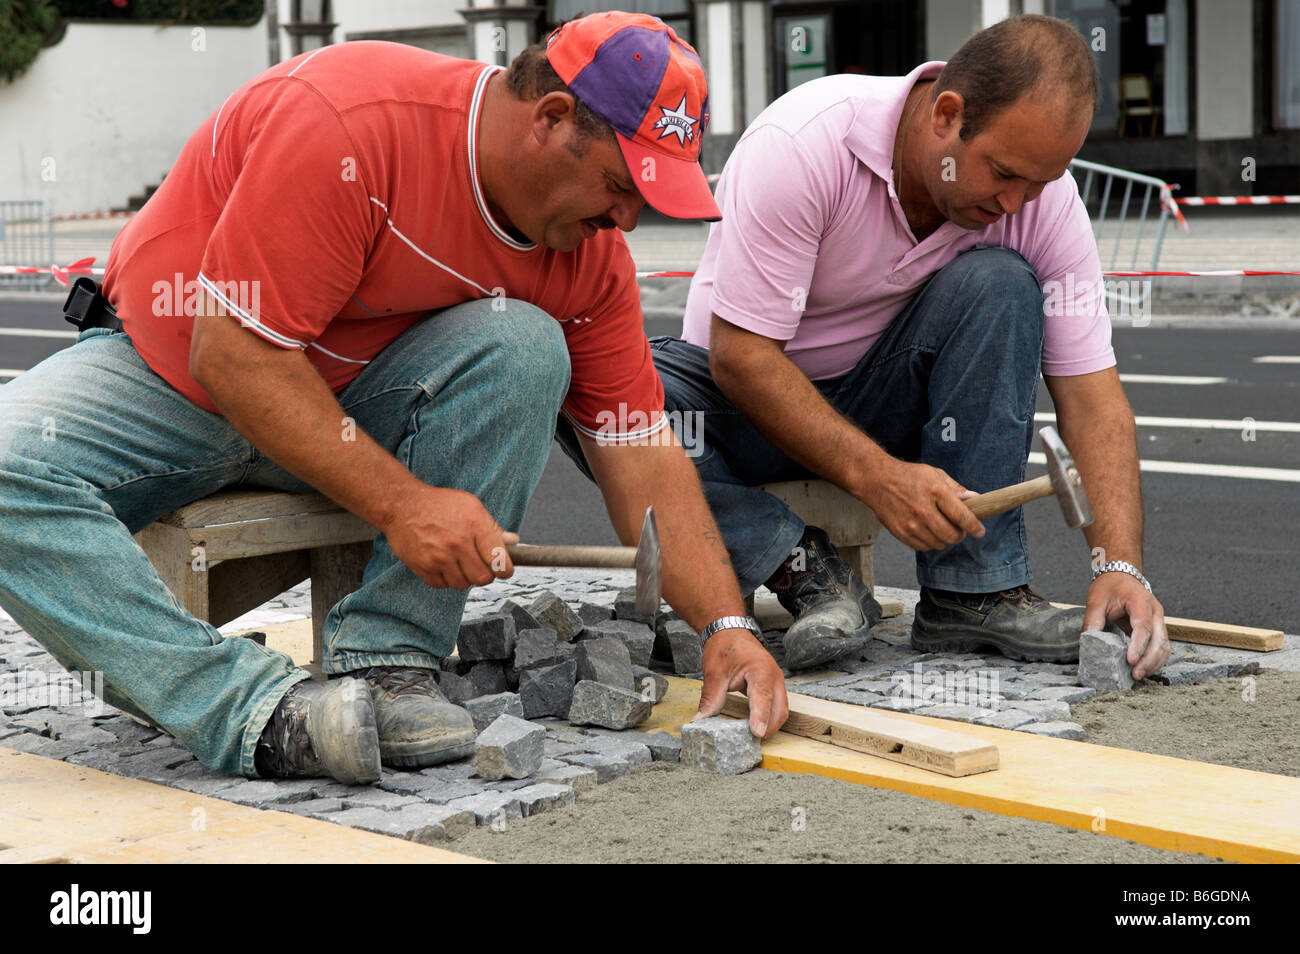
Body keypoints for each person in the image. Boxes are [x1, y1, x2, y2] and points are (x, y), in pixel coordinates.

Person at [0, 12, 788, 786]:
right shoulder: (351, 125)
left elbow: (641, 448)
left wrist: (726, 625)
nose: (627, 220)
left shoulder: (590, 258)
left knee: (525, 344)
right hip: (173, 378)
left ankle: (389, 663)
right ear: (550, 119)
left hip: (343, 411)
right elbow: (235, 356)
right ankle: (254, 712)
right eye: (621, 186)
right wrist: (407, 506)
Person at [633, 14, 1169, 677]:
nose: (1016, 201)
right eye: (1002, 173)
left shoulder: (1041, 201)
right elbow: (741, 357)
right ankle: (801, 567)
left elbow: (1092, 395)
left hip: (887, 404)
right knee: (611, 386)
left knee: (1000, 283)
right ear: (946, 114)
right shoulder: (802, 143)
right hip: (745, 406)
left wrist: (1118, 565)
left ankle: (974, 593)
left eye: (1037, 182)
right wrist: (878, 478)